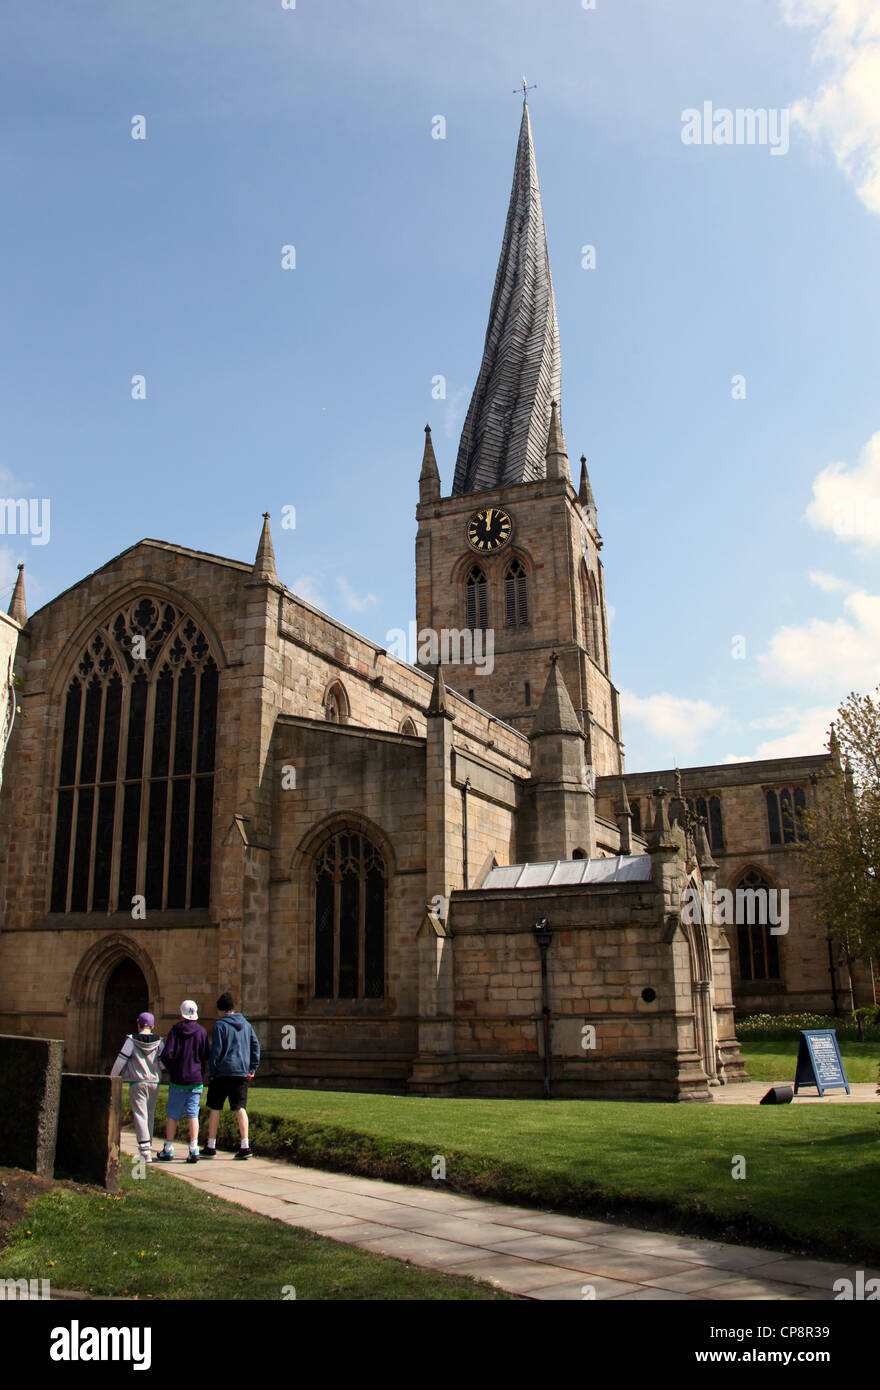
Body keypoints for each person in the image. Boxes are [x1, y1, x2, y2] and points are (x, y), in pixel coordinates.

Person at [202, 992, 261, 1160]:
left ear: (220, 1010)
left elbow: (216, 1051)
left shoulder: (220, 1025)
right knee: (240, 1107)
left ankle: (211, 1145)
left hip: (222, 1073)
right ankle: (245, 1145)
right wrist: (253, 1068)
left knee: (215, 1107)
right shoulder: (246, 1024)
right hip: (241, 1072)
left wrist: (212, 1072)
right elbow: (255, 1046)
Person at [156, 999, 209, 1164]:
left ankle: (168, 1148)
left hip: (178, 1079)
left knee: (173, 1114)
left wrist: (174, 1069)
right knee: (193, 1114)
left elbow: (167, 1054)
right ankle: (193, 1148)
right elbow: (205, 1055)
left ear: (181, 1013)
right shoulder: (201, 1032)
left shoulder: (175, 1031)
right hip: (195, 1079)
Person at [110, 1011, 164, 1163]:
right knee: (150, 1113)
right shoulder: (159, 1042)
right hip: (154, 1081)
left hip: (137, 1081)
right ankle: (149, 1145)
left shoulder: (131, 1041)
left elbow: (121, 1060)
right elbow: (164, 1061)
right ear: (153, 1026)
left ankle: (145, 1150)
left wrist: (113, 1076)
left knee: (140, 1114)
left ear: (138, 1025)